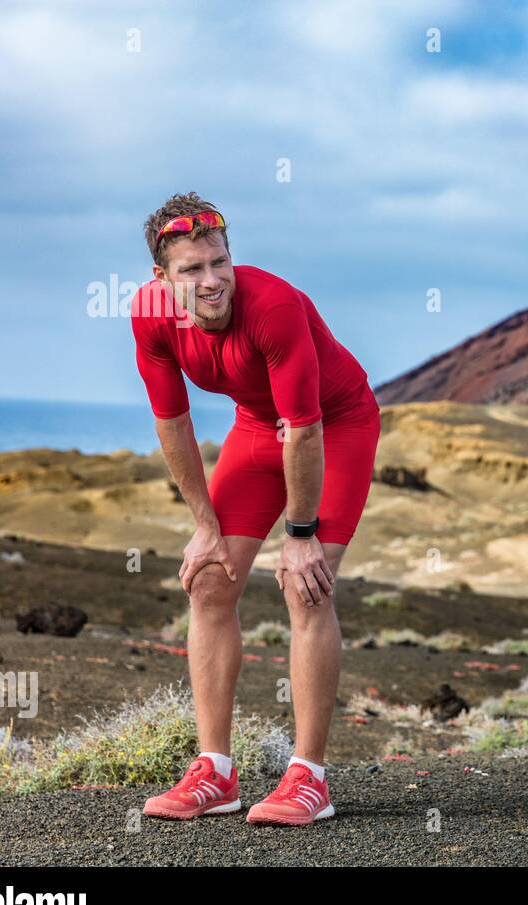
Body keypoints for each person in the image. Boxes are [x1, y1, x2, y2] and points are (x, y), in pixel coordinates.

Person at [132, 193, 380, 825]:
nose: (212, 281)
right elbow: (173, 422)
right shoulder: (150, 316)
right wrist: (204, 528)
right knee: (210, 582)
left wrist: (300, 535)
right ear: (162, 278)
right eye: (192, 269)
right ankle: (215, 772)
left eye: (219, 262)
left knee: (308, 587)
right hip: (255, 426)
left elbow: (304, 428)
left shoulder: (272, 306)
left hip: (334, 426)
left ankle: (309, 778)